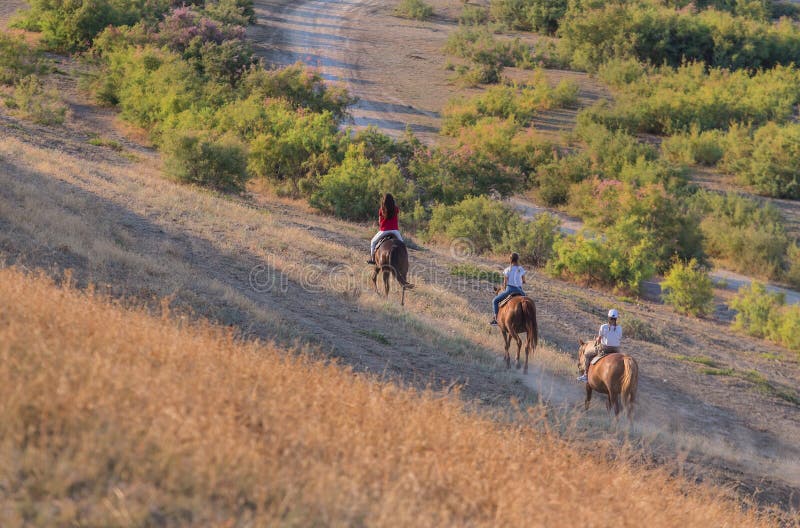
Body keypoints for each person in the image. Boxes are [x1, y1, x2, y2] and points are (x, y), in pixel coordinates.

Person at [577, 309, 622, 382]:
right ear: (616, 318)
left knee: (587, 355)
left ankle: (585, 375)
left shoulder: (603, 326)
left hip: (605, 348)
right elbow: (619, 338)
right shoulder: (620, 328)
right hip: (616, 350)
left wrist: (598, 340)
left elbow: (599, 339)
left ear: (608, 317)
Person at [490, 253, 526, 326]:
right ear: (517, 259)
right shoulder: (521, 269)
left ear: (510, 259)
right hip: (520, 290)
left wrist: (505, 287)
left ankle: (496, 319)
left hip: (510, 289)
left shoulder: (507, 269)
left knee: (495, 301)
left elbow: (505, 282)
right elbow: (524, 281)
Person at [367, 193, 403, 265]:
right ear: (392, 201)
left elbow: (380, 221)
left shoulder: (381, 210)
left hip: (384, 230)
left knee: (373, 242)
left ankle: (373, 259)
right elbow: (397, 219)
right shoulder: (396, 209)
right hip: (395, 231)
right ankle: (403, 260)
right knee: (402, 245)